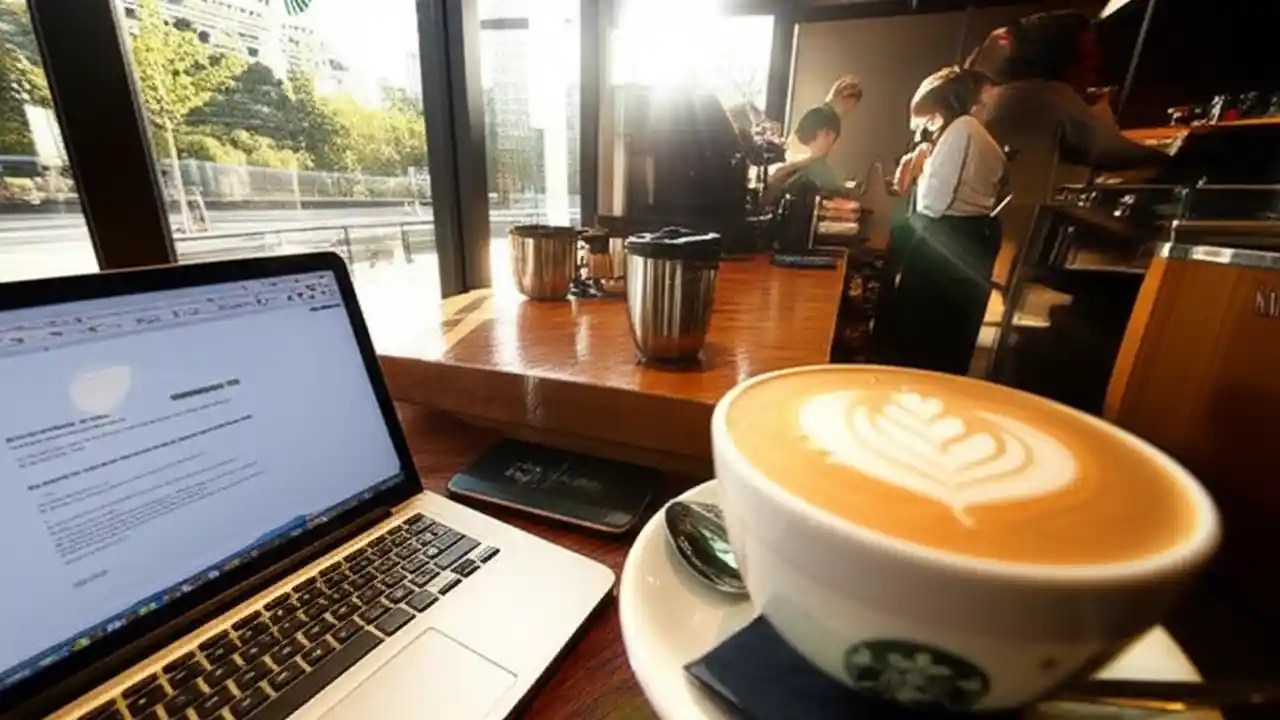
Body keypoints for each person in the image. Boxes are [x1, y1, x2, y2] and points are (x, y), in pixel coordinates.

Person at [971, 11, 1168, 279]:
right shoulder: (1050, 95)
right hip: (1034, 242)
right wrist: (1174, 155)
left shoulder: (1004, 94)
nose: (1096, 60)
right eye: (1088, 51)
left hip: (996, 239)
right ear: (1062, 54)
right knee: (1156, 239)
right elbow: (1110, 151)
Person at [878, 67, 1006, 375]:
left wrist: (922, 169)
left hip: (951, 238)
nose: (926, 127)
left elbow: (933, 204)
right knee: (950, 342)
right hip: (973, 236)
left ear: (943, 106)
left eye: (929, 118)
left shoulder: (962, 130)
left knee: (921, 339)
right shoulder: (974, 133)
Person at [763, 104, 846, 207]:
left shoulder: (791, 153)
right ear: (825, 133)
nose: (833, 144)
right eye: (829, 134)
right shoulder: (815, 169)